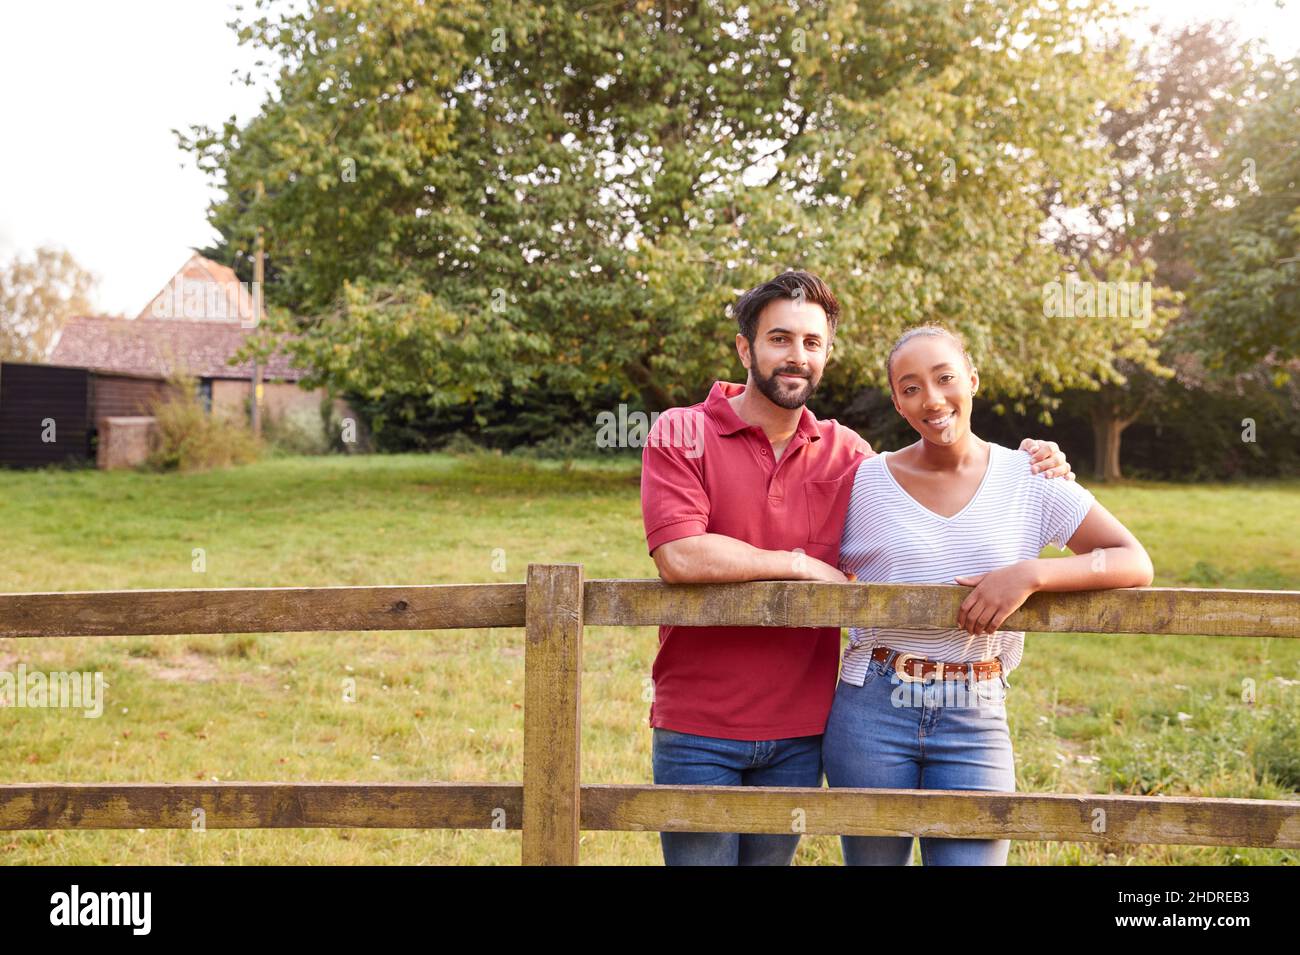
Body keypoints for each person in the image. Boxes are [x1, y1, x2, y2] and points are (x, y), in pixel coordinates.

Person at [639, 273, 1075, 866]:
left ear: (826, 355)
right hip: (699, 723)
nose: (797, 356)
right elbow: (680, 555)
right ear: (746, 349)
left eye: (812, 343)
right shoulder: (681, 431)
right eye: (780, 339)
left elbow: (936, 481)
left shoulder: (850, 455)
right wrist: (796, 564)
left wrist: (1032, 463)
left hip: (803, 727)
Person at [822, 323, 1154, 866]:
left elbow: (1132, 560)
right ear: (898, 404)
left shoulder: (1030, 476)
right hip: (873, 707)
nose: (931, 399)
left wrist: (1031, 574)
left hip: (973, 708)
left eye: (945, 378)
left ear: (972, 380)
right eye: (910, 388)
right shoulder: (863, 482)